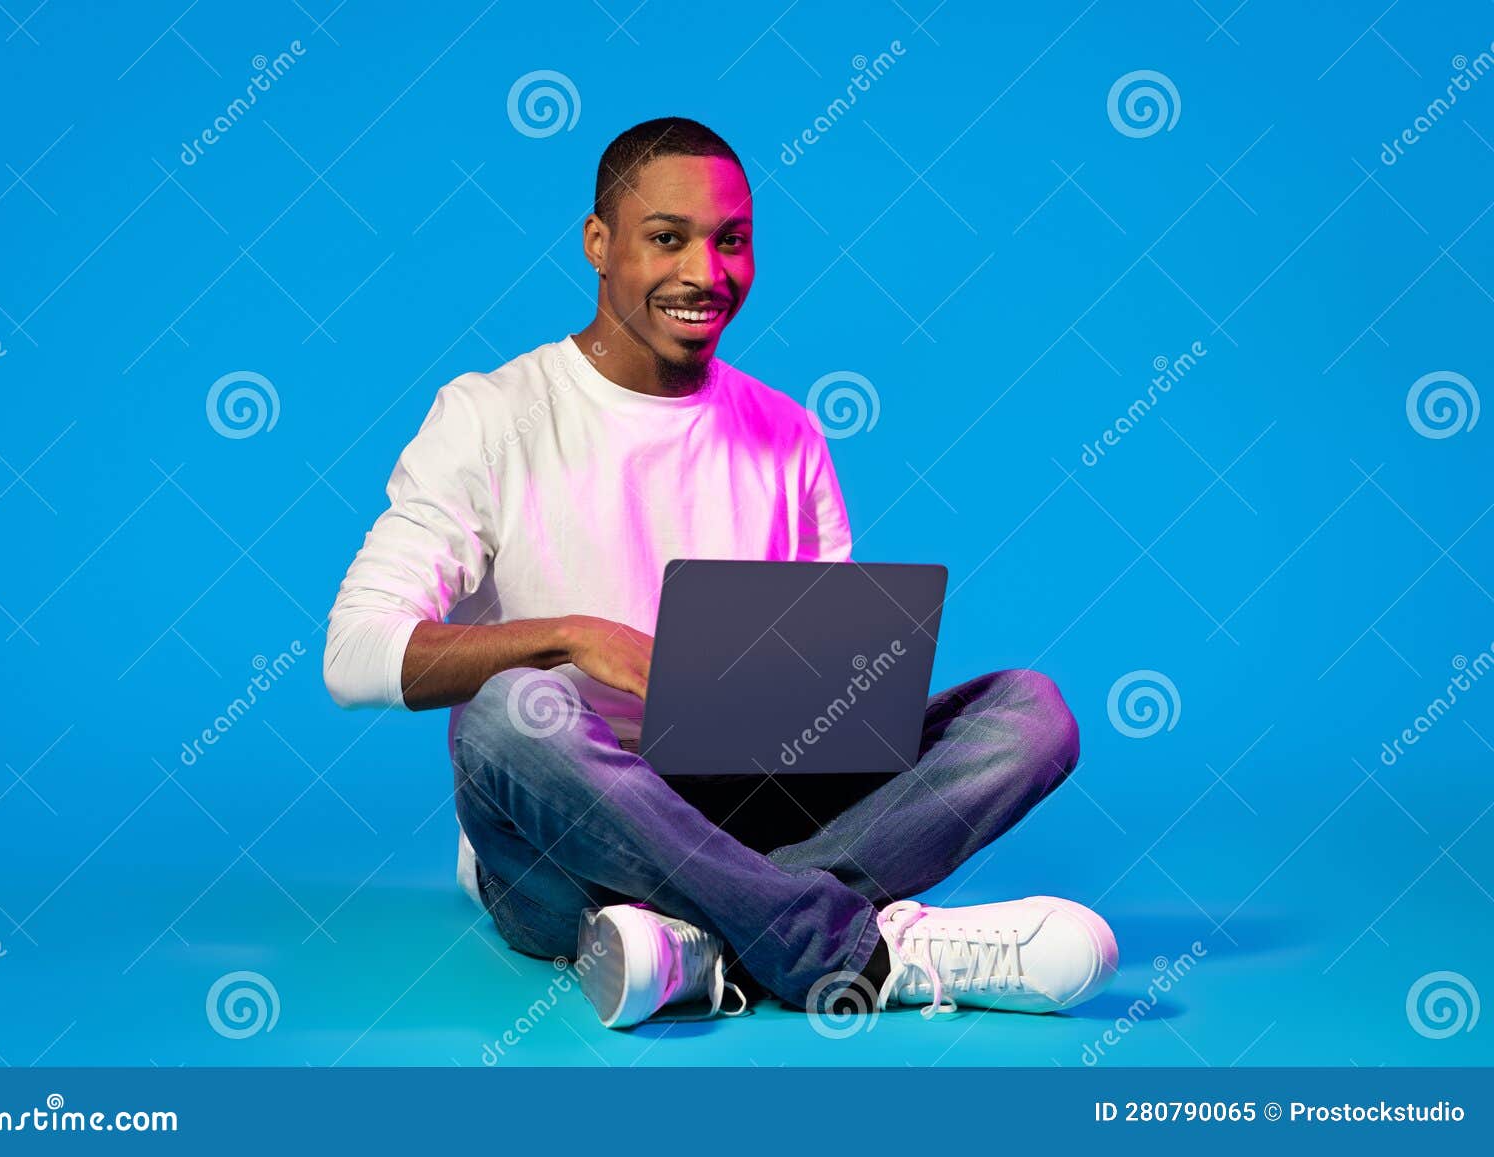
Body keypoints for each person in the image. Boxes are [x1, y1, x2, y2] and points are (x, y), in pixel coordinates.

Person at [322, 116, 1117, 1029]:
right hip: (561, 833)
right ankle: (856, 949)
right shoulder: (488, 416)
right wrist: (574, 637)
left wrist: (846, 705)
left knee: (1031, 713)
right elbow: (353, 655)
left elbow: (825, 689)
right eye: (668, 238)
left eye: (731, 240)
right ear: (598, 244)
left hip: (748, 810)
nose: (706, 272)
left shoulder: (787, 432)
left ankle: (693, 942)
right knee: (508, 712)